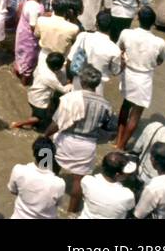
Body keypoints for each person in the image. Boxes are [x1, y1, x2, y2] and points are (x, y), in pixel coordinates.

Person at [46, 65, 116, 214]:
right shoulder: (106, 105)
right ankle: (71, 213)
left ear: (82, 82)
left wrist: (45, 135)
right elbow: (109, 129)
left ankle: (47, 201)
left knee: (53, 171)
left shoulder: (70, 98)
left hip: (65, 139)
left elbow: (57, 123)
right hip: (87, 144)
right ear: (97, 84)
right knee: (79, 181)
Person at [115, 6, 165, 150]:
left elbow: (118, 49)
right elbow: (161, 60)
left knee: (125, 106)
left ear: (138, 19)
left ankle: (117, 140)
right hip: (144, 78)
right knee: (136, 114)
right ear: (153, 23)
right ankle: (121, 145)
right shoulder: (159, 42)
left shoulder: (126, 33)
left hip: (128, 74)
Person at [7, 137, 65, 219]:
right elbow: (58, 204)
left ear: (34, 153)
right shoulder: (59, 183)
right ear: (52, 157)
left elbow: (13, 190)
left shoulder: (18, 170)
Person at [78, 151, 136, 220]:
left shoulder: (87, 181)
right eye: (127, 173)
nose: (128, 175)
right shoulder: (127, 195)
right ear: (117, 175)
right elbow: (130, 208)